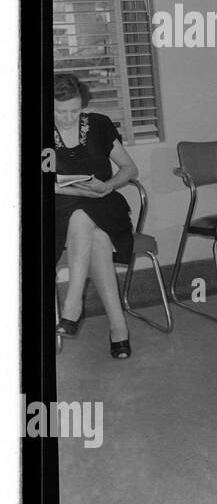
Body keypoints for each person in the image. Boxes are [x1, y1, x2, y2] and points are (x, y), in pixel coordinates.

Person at [51, 73, 139, 359]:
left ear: (83, 106)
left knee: (85, 218)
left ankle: (73, 304)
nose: (68, 117)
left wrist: (109, 185)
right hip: (59, 209)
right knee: (91, 229)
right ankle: (118, 327)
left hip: (104, 201)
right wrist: (76, 191)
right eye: (60, 111)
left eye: (74, 111)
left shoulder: (99, 125)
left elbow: (128, 168)